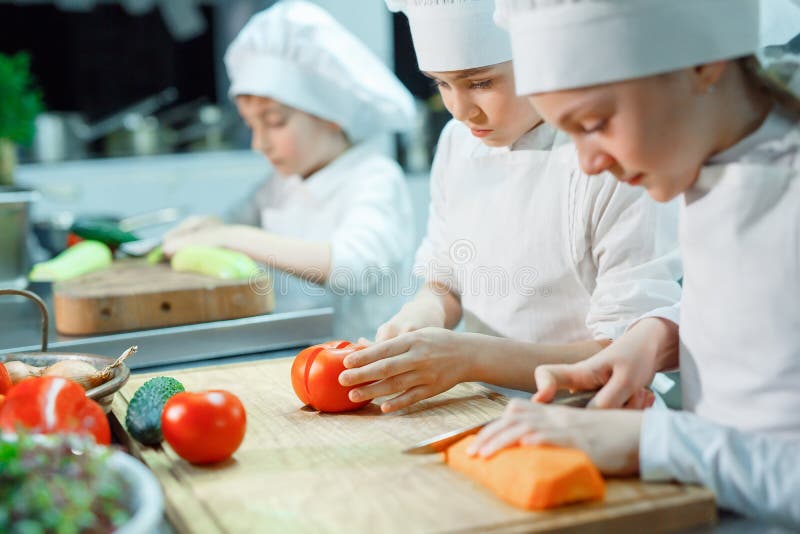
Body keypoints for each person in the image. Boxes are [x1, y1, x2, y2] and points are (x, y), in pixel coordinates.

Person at [470, 0, 800, 526]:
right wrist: (660, 334)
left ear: (701, 62)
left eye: (595, 122)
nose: (588, 163)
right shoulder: (712, 159)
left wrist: (659, 444)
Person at [338, 0, 682, 414]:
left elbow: (624, 351)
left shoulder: (612, 159)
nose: (460, 110)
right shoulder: (456, 143)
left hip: (594, 415)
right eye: (441, 85)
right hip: (480, 406)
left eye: (480, 83)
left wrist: (469, 357)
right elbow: (446, 278)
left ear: (544, 57)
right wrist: (421, 314)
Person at [162, 1, 416, 340]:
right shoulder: (283, 181)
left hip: (360, 363)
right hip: (291, 351)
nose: (259, 143)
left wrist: (230, 237)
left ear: (330, 113)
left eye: (274, 122)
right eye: (251, 125)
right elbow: (236, 218)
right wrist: (209, 226)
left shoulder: (375, 178)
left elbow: (348, 266)